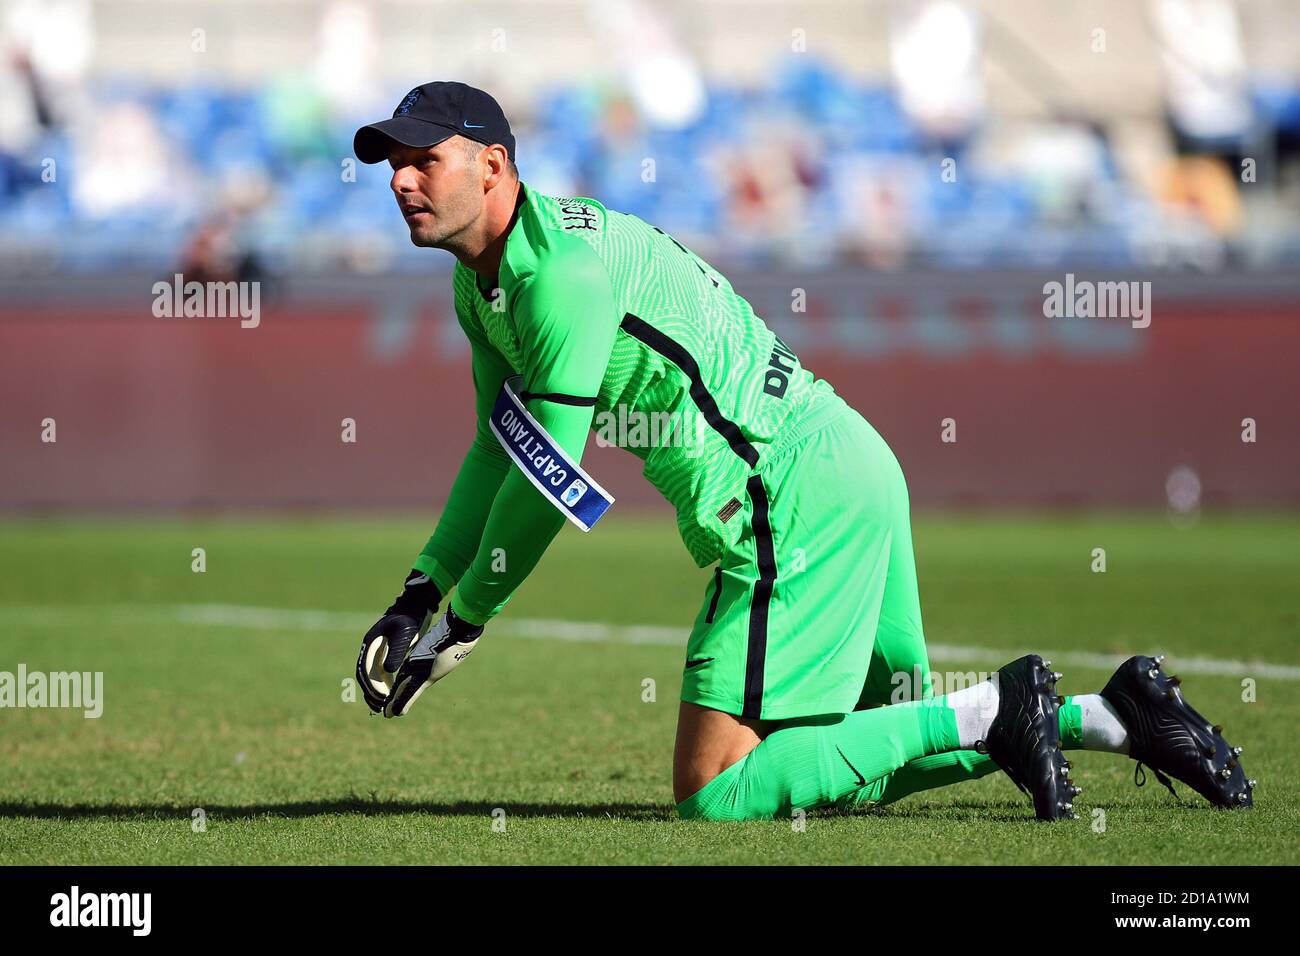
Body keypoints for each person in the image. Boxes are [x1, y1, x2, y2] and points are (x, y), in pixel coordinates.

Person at [351, 81, 1253, 821]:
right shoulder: (485, 286)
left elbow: (547, 477)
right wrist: (422, 589)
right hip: (847, 462)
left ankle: (997, 705)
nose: (401, 180)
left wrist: (466, 619)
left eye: (424, 159)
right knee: (882, 733)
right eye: (394, 164)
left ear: (494, 164)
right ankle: (1112, 716)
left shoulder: (561, 280)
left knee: (717, 793)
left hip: (783, 500)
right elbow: (493, 449)